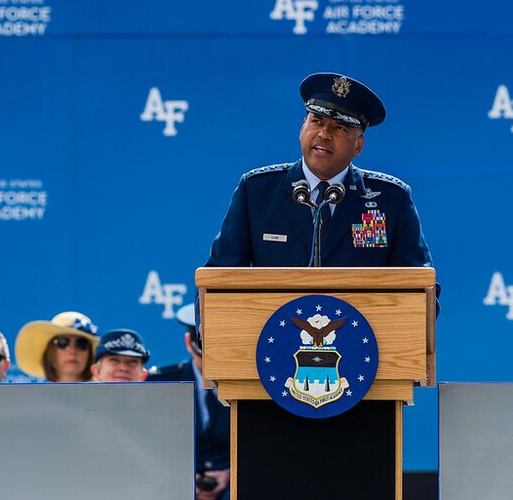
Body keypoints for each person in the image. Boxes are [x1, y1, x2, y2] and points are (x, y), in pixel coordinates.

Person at [200, 71, 437, 335]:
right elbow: (217, 282)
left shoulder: (391, 199)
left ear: (358, 145)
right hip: (269, 357)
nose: (324, 134)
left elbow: (421, 289)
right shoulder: (257, 191)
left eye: (340, 128)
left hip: (366, 359)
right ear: (302, 127)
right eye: (317, 121)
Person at [147, 304, 230, 500]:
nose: (209, 364)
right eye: (203, 350)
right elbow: (149, 444)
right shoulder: (162, 383)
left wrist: (229, 474)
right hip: (174, 483)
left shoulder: (246, 388)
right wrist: (181, 476)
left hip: (235, 484)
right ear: (188, 342)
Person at [15, 311, 99, 382]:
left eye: (81, 344)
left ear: (90, 353)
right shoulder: (34, 398)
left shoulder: (106, 397)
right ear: (51, 351)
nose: (72, 350)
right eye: (62, 343)